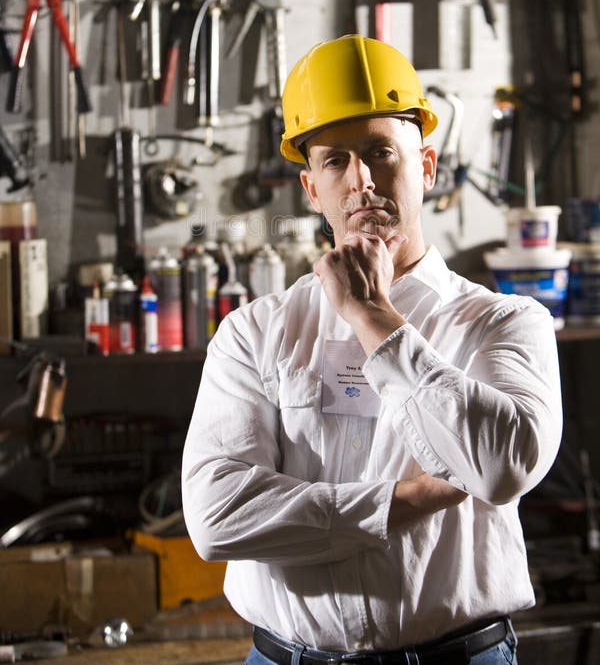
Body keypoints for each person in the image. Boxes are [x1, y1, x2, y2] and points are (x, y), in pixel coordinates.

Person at [182, 35, 562, 665]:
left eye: (382, 152)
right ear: (310, 187)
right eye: (335, 161)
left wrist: (374, 318)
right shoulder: (254, 332)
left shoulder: (504, 321)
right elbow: (217, 517)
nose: (360, 180)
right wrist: (399, 503)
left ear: (428, 167)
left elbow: (503, 467)